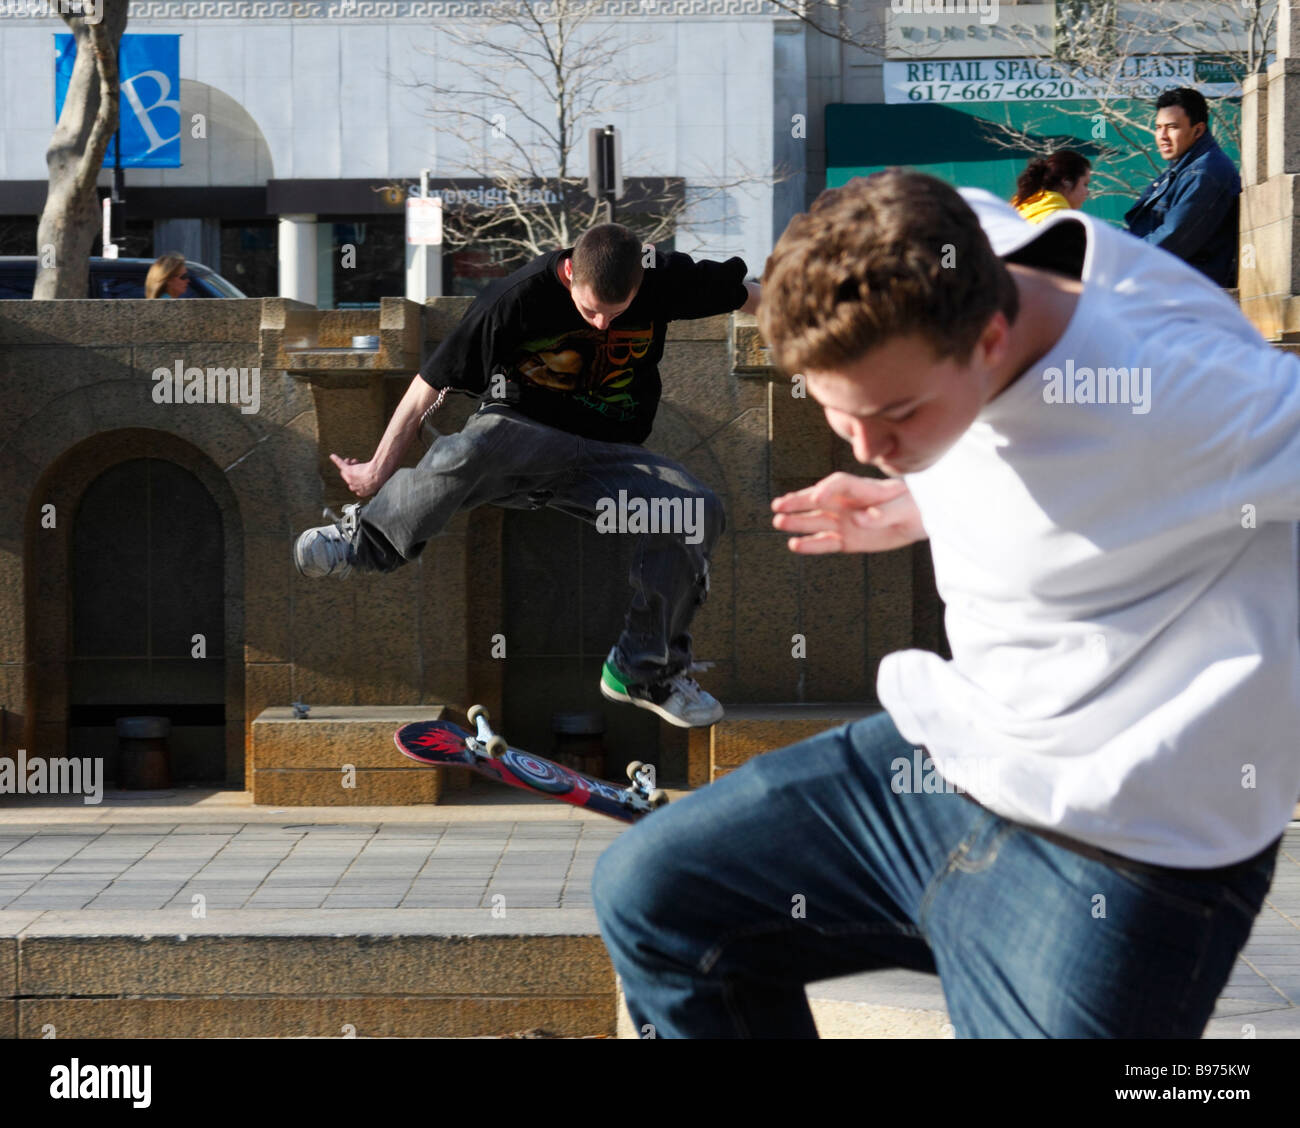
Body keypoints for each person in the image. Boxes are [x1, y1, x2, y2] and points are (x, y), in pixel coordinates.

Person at [592, 169, 1297, 1037]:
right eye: (844, 417)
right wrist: (928, 500)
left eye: (897, 415)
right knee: (656, 896)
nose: (872, 451)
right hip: (939, 772)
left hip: (1122, 854)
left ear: (993, 335)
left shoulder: (1189, 397)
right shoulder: (953, 241)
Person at [293, 223, 761, 728]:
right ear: (569, 274)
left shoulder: (661, 277)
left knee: (694, 509)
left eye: (616, 312)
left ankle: (644, 667)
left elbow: (751, 295)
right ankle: (365, 540)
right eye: (589, 311)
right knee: (471, 446)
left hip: (609, 459)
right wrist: (377, 469)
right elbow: (430, 384)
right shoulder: (514, 296)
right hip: (520, 438)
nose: (602, 324)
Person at [1125, 86, 1241, 287]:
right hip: (1168, 284)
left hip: (1185, 292)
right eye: (1158, 127)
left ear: (1198, 130)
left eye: (1172, 127)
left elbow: (1173, 240)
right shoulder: (1185, 169)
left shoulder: (1206, 172)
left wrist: (1118, 258)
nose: (1162, 136)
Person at [1010, 149, 1091, 223]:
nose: (1088, 192)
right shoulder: (1060, 221)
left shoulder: (1018, 209)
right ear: (1067, 181)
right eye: (1085, 184)